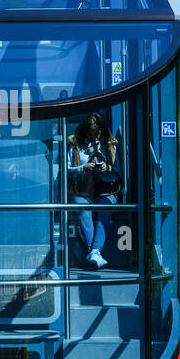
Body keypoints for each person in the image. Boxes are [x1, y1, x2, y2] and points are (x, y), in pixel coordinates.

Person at [67, 113, 120, 269]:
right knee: (84, 208)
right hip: (82, 189)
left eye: (97, 134)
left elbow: (119, 170)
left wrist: (108, 167)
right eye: (91, 134)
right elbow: (66, 168)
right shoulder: (75, 146)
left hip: (106, 189)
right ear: (84, 132)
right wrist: (83, 167)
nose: (95, 137)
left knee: (106, 208)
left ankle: (93, 251)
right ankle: (95, 251)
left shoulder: (110, 145)